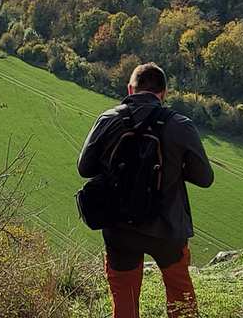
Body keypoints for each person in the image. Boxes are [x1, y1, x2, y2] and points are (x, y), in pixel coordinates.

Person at [77, 62, 214, 318]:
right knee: (180, 299)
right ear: (164, 93)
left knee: (125, 304)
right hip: (168, 228)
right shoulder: (180, 125)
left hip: (118, 227)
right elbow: (205, 178)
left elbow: (84, 168)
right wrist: (174, 165)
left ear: (130, 89)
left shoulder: (108, 119)